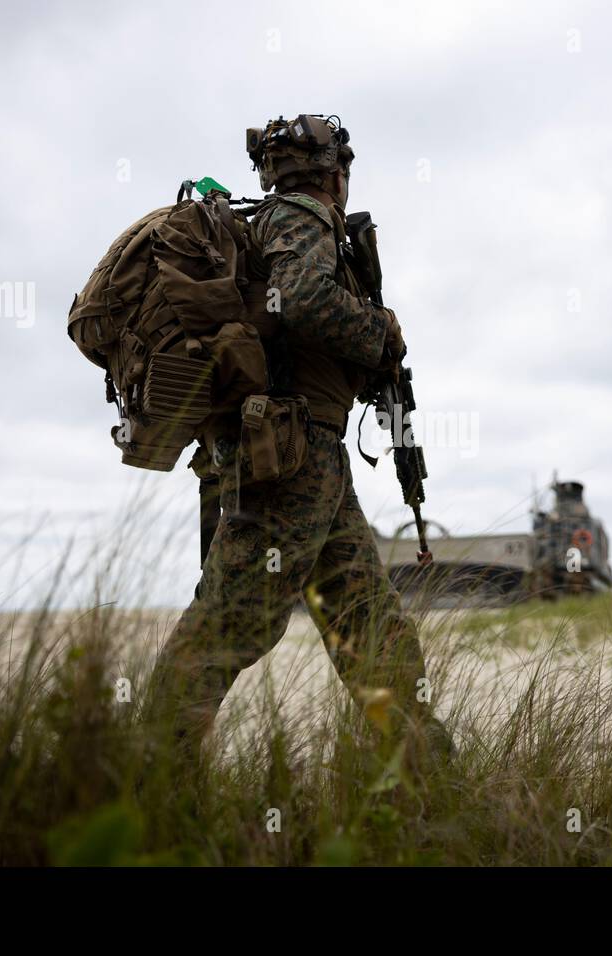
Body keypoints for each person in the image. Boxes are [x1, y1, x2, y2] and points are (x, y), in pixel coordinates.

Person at [150, 114, 451, 767]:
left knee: (369, 620)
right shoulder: (303, 216)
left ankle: (424, 774)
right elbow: (303, 298)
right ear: (335, 175)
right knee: (234, 619)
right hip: (290, 455)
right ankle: (145, 779)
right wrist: (380, 333)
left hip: (313, 456)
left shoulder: (279, 224)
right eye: (343, 173)